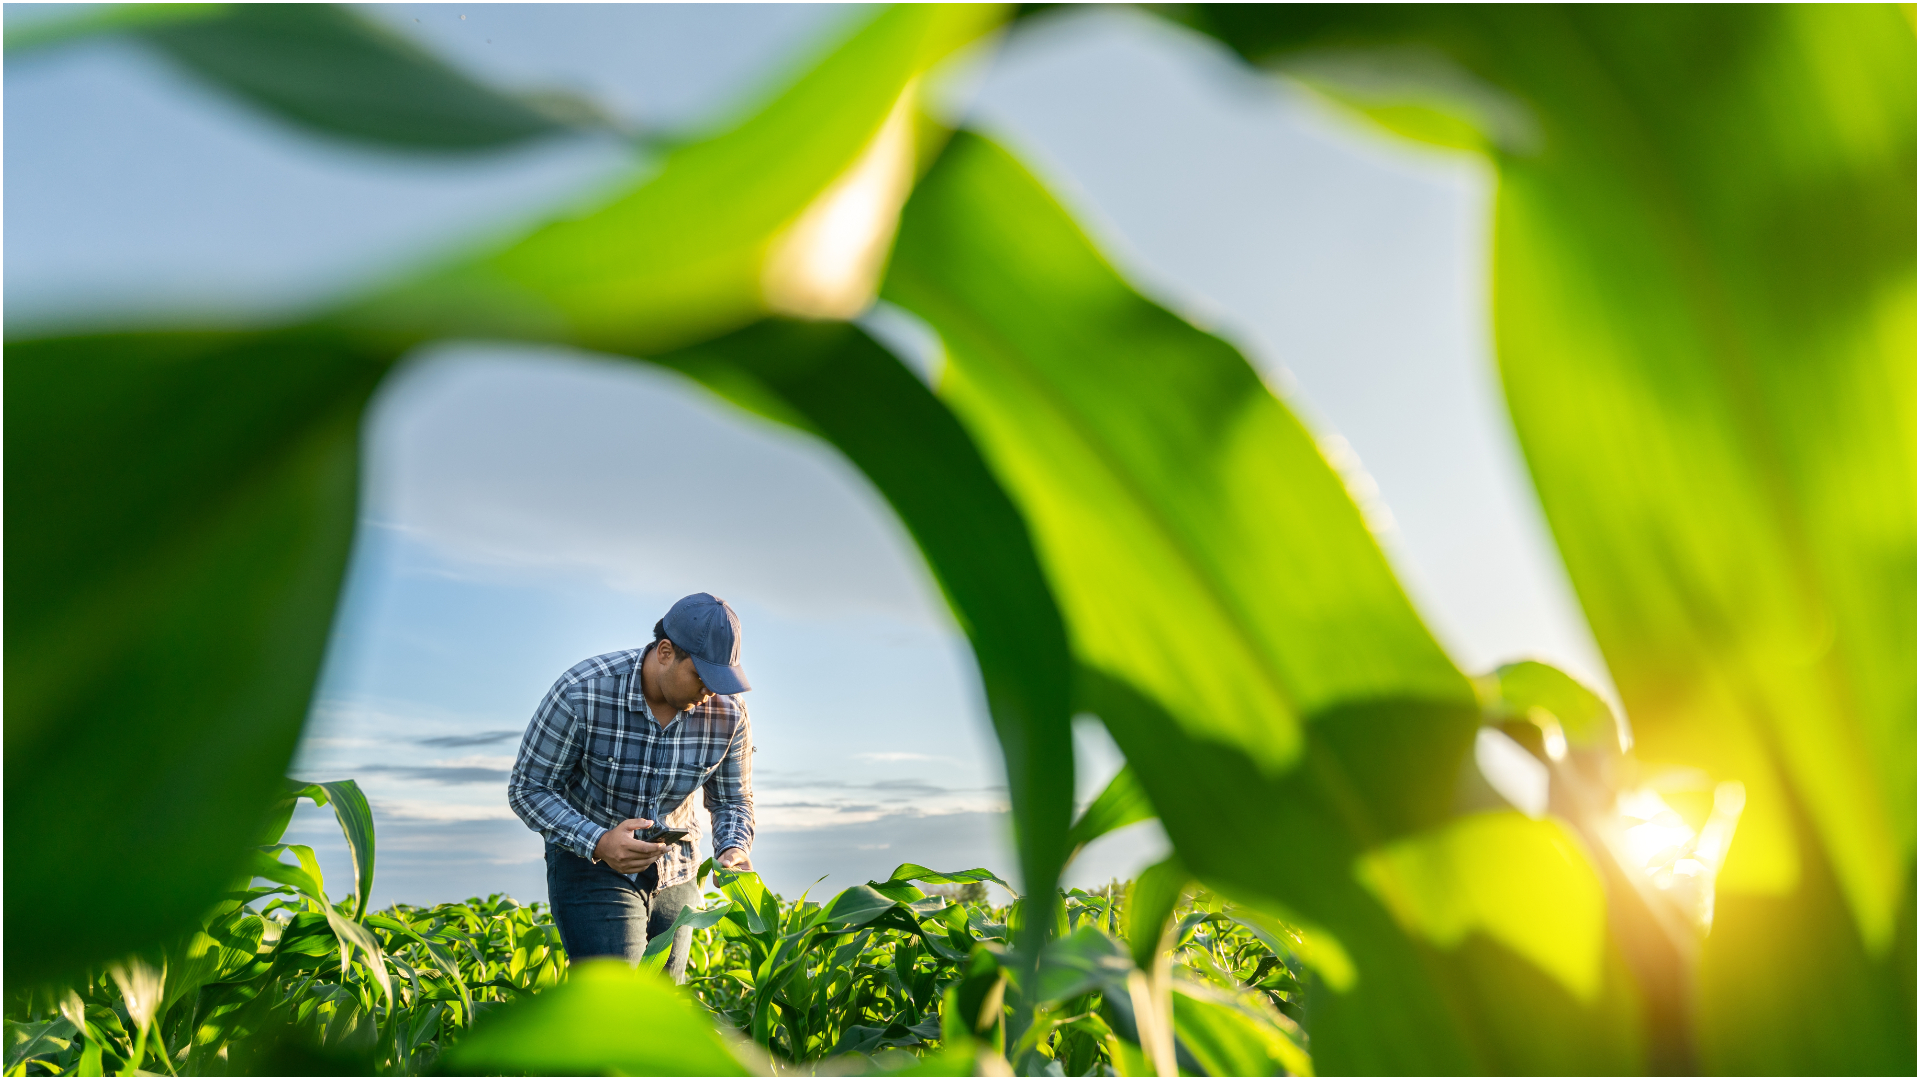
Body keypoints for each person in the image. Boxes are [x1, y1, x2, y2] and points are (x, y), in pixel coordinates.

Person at [507, 592, 755, 978]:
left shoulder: (729, 714)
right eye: (702, 677)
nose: (710, 691)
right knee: (615, 1004)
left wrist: (733, 846)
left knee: (660, 1009)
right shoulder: (582, 692)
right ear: (666, 652)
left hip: (678, 871)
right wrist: (600, 841)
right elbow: (529, 787)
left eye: (720, 680)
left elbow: (733, 800)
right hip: (591, 864)